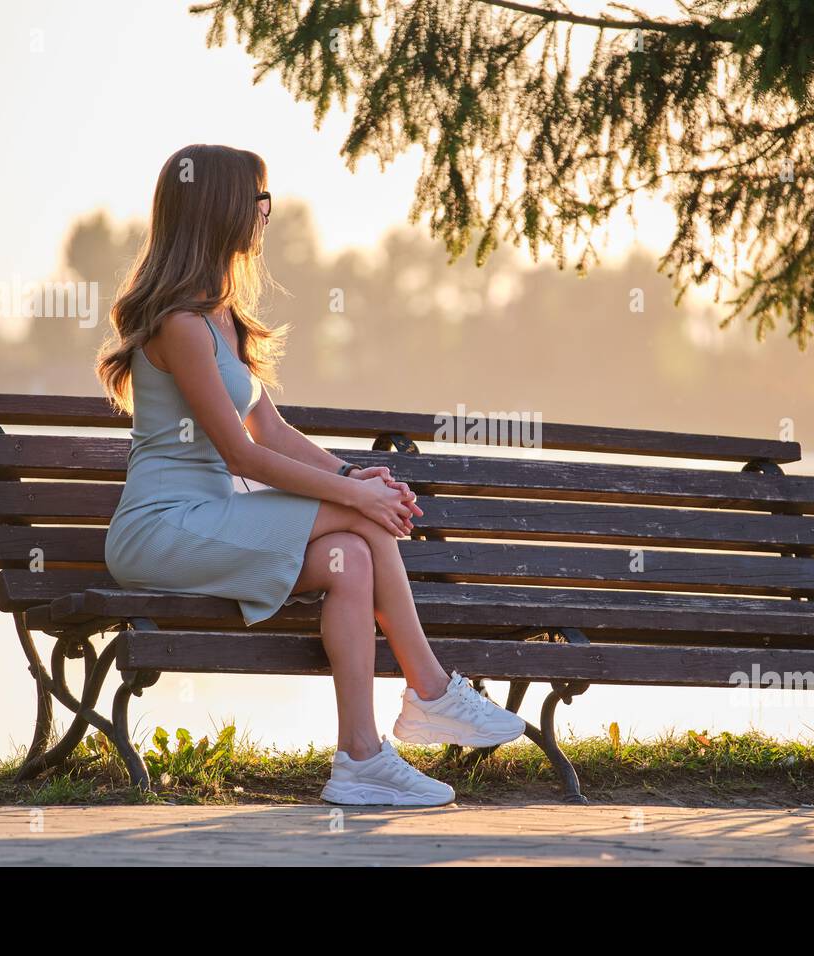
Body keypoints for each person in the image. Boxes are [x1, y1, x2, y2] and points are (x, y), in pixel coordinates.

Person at [96, 144, 524, 807]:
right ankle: (432, 690)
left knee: (352, 557)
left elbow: (274, 432)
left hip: (210, 522)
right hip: (163, 529)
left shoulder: (221, 320)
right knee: (358, 519)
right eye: (259, 199)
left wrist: (356, 474)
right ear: (223, 209)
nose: (268, 213)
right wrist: (358, 496)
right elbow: (242, 457)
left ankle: (361, 758)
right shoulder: (179, 326)